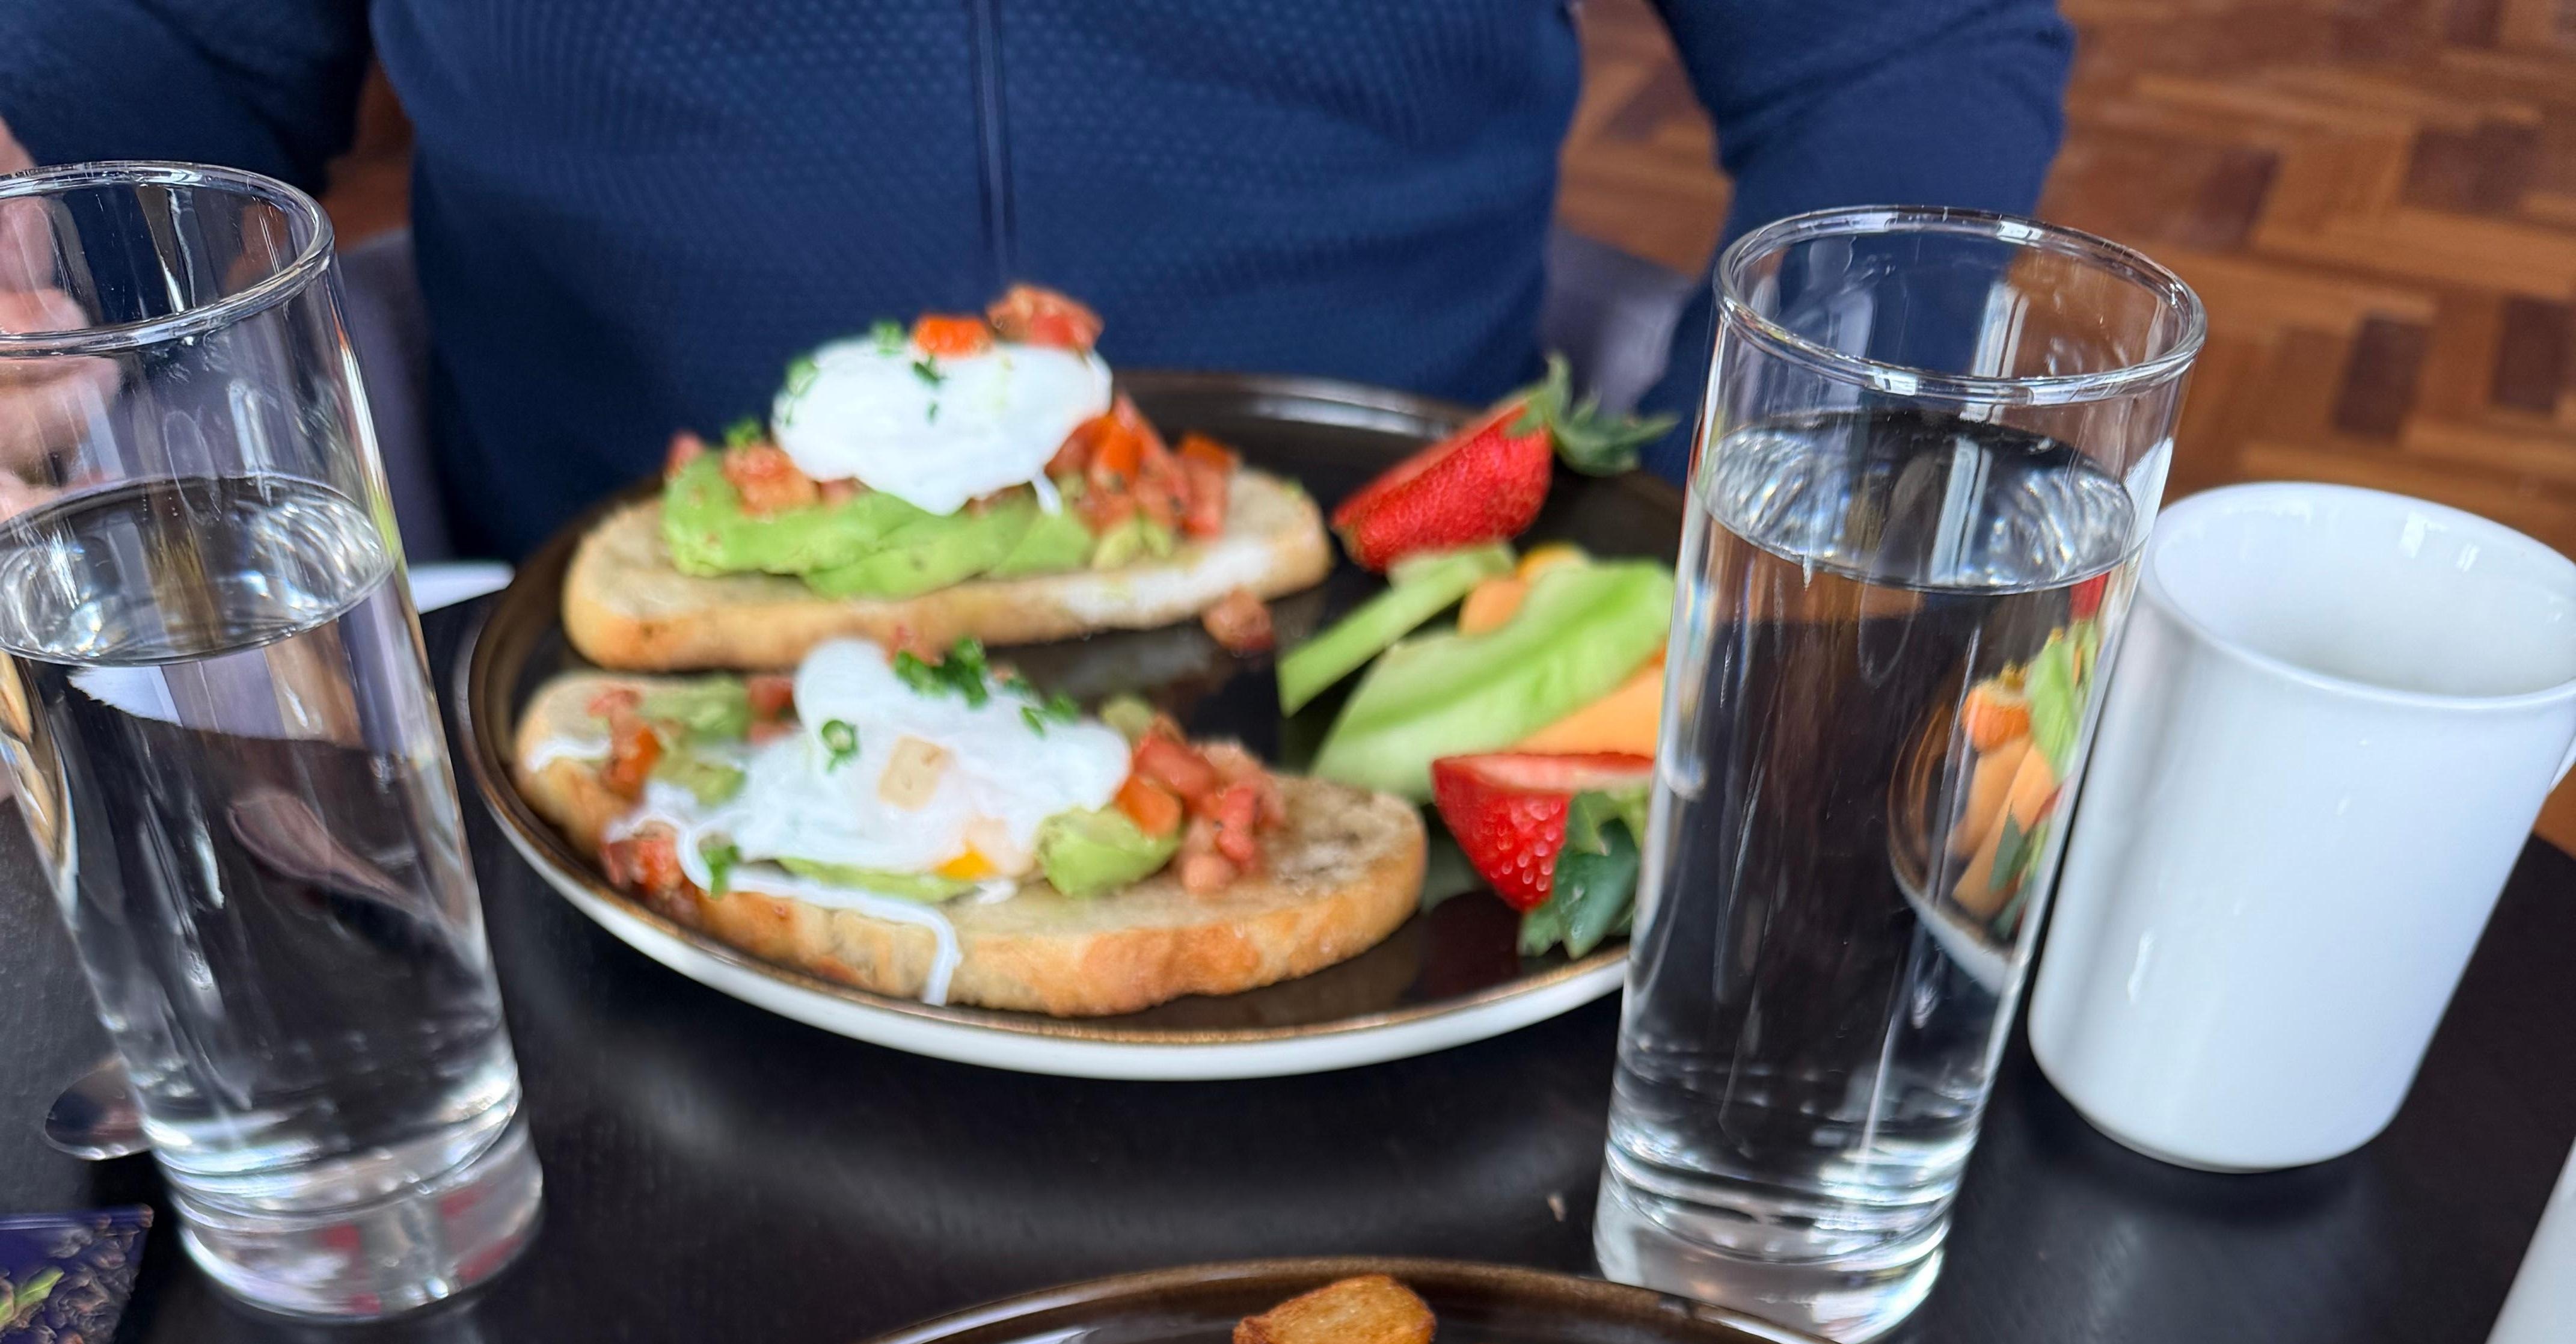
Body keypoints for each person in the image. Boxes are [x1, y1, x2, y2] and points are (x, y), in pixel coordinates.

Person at [0, 1, 2070, 557]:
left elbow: (1895, 49)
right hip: (581, 665)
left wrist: (1782, 521)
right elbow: (166, 50)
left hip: (1400, 653)